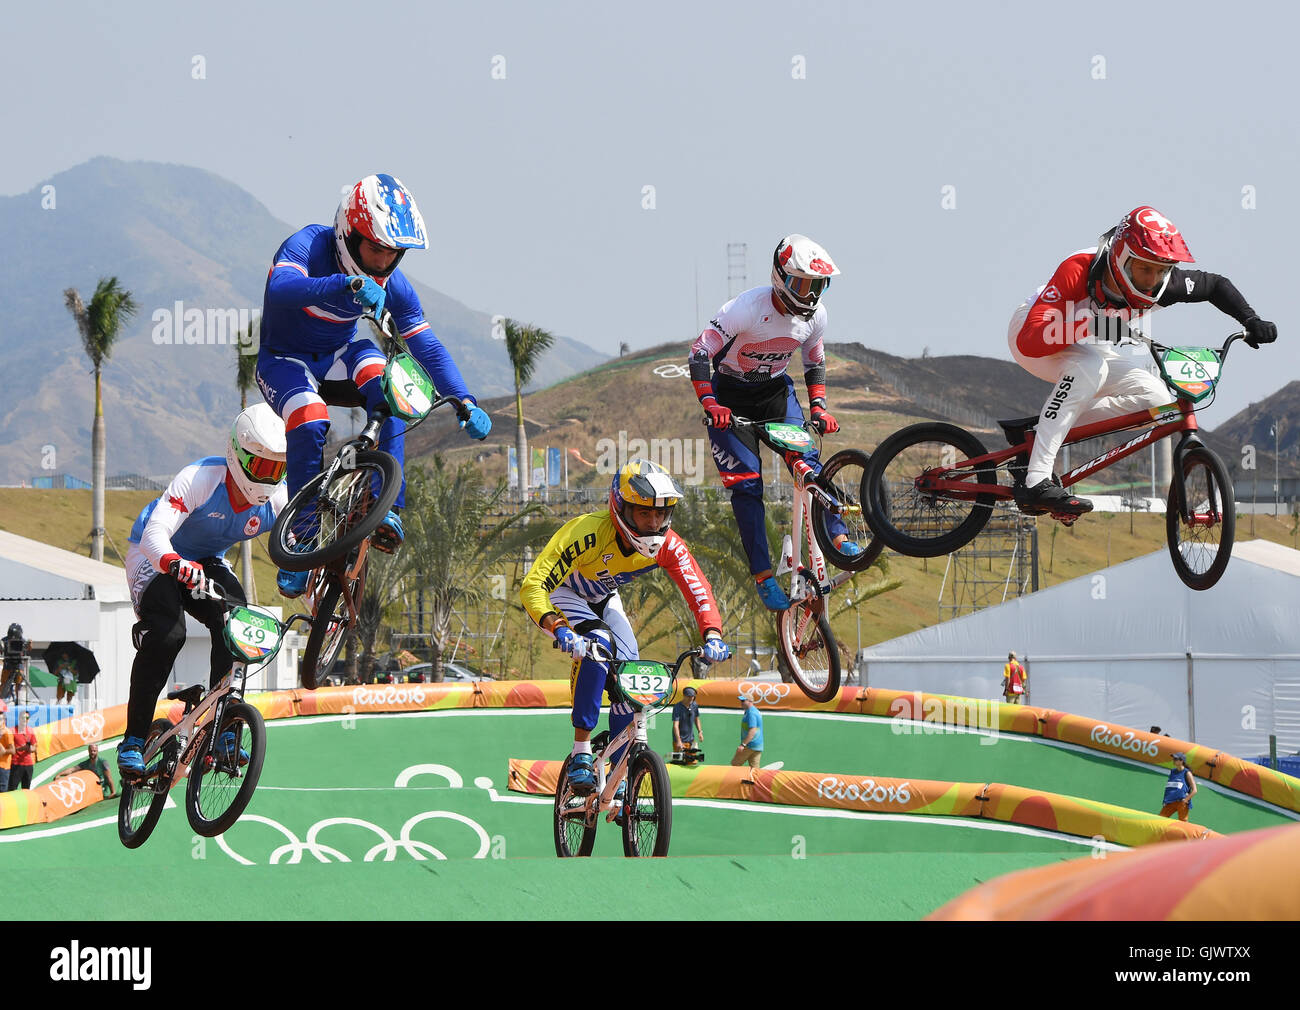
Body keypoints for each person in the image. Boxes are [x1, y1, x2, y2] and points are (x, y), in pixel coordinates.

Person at [256, 174, 492, 598]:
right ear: (349, 233)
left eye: (393, 253)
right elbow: (280, 288)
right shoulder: (309, 243)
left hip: (338, 357)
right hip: (284, 360)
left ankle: (388, 508)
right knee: (311, 420)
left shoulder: (393, 284)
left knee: (396, 386)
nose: (383, 263)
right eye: (375, 249)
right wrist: (343, 284)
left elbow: (428, 348)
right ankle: (302, 536)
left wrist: (465, 400)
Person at [1008, 206, 1277, 516]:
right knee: (1089, 368)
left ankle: (1037, 433)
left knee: (1156, 399)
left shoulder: (1165, 283)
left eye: (1161, 271)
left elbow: (1215, 285)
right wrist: (1089, 324)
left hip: (1086, 346)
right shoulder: (1080, 268)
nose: (1152, 280)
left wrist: (1250, 319)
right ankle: (1037, 479)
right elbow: (1032, 338)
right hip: (1037, 333)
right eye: (1144, 270)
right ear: (1122, 258)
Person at [521, 459, 730, 796]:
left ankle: (618, 768)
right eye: (643, 513)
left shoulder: (668, 546)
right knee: (598, 643)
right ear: (619, 507)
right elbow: (532, 585)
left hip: (604, 595)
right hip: (565, 593)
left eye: (660, 514)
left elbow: (698, 590)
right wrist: (558, 628)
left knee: (629, 673)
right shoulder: (587, 533)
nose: (653, 523)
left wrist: (713, 634)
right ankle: (581, 752)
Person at [690, 234, 860, 611]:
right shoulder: (745, 308)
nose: (812, 295)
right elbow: (700, 352)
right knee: (748, 487)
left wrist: (819, 407)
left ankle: (838, 535)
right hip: (729, 399)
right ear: (780, 277)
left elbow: (814, 362)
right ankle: (764, 575)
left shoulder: (817, 317)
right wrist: (710, 401)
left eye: (819, 285)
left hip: (774, 396)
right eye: (803, 284)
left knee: (808, 465)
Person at [117, 404, 288, 777]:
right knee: (168, 634)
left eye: (277, 469)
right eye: (261, 467)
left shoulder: (277, 500)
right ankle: (132, 739)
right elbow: (153, 536)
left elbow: (306, 543)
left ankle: (224, 727)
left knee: (237, 623)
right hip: (155, 555)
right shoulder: (199, 478)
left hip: (206, 560)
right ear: (237, 455)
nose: (268, 478)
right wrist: (176, 564)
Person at [1159, 752, 1197, 821]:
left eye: (1176, 759)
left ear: (1181, 761)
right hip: (1170, 802)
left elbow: (1195, 790)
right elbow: (1169, 787)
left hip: (1181, 803)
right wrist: (1165, 801)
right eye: (1173, 759)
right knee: (1160, 819)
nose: (1173, 760)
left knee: (1183, 823)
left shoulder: (1187, 773)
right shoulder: (1172, 771)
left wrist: (1185, 800)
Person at [672, 685, 704, 764]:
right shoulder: (677, 707)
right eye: (689, 697)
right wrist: (679, 741)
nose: (691, 699)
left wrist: (700, 731)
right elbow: (675, 726)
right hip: (680, 741)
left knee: (693, 762)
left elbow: (696, 719)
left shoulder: (694, 705)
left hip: (691, 740)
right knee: (679, 763)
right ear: (684, 696)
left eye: (692, 697)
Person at [732, 694, 764, 771]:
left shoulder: (751, 713)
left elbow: (752, 731)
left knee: (735, 765)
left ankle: (735, 782)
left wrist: (743, 745)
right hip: (758, 746)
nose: (741, 702)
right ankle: (752, 782)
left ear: (750, 701)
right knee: (754, 770)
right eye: (741, 700)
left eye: (743, 701)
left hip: (749, 745)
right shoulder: (752, 711)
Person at [1, 623, 31, 701]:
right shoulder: (4, 640)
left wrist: (29, 644)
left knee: (19, 682)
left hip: (18, 663)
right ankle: (1, 699)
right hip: (8, 663)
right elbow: (1, 650)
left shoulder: (22, 640)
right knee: (4, 683)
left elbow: (28, 650)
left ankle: (18, 699)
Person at [8, 709, 36, 791]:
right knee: (12, 788)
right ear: (19, 718)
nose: (25, 720)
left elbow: (35, 747)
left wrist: (30, 748)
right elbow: (9, 748)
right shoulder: (12, 731)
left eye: (27, 718)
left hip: (28, 764)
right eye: (23, 717)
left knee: (26, 790)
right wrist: (21, 748)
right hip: (16, 763)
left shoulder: (30, 730)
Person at [0, 702, 13, 792]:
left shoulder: (7, 732)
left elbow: (13, 750)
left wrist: (4, 751)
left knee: (2, 793)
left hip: (3, 767)